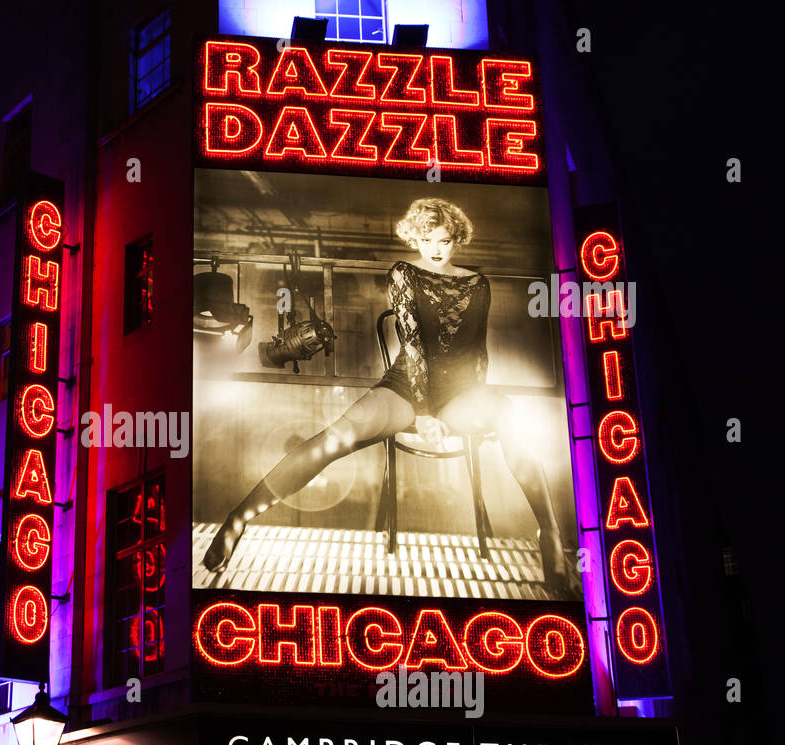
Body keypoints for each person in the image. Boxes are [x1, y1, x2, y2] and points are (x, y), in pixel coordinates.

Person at [202, 197, 578, 596]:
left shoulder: (477, 283)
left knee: (507, 414)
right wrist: (422, 412)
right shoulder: (403, 273)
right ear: (415, 238)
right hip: (404, 386)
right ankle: (239, 517)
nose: (435, 248)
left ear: (457, 240)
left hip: (458, 392)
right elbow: (412, 344)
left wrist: (475, 403)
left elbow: (476, 353)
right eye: (426, 239)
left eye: (444, 240)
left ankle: (549, 536)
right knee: (335, 437)